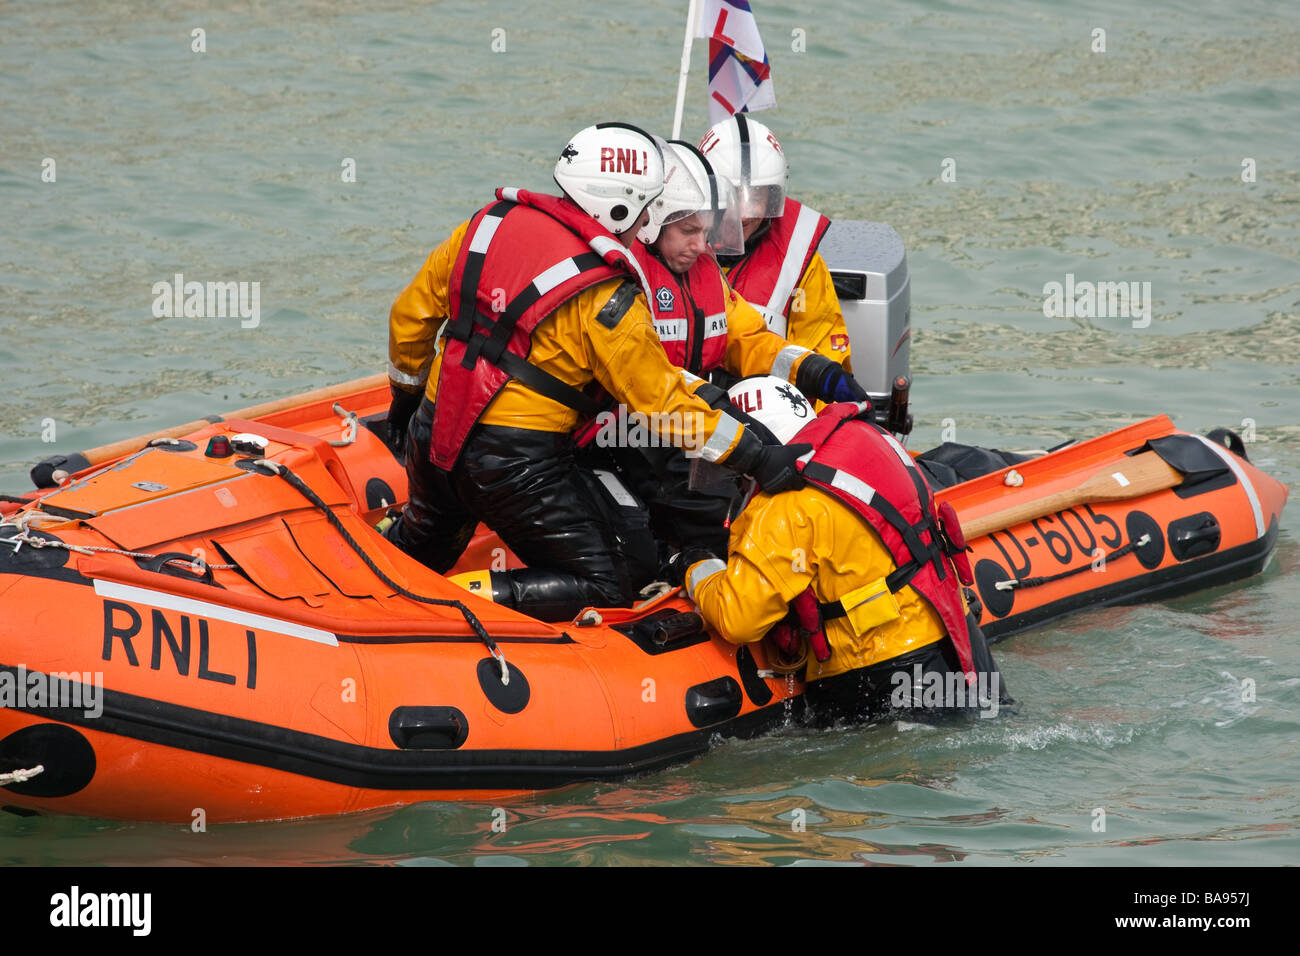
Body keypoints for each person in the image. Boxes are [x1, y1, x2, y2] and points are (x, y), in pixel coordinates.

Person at [382, 123, 808, 621]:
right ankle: (455, 602)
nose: (649, 220)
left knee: (422, 545)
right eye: (646, 207)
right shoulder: (608, 295)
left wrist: (407, 401)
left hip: (434, 433)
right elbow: (664, 406)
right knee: (608, 583)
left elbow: (410, 318)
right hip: (513, 463)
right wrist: (754, 456)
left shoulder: (486, 225)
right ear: (619, 206)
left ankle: (385, 598)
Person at [668, 376, 1012, 726]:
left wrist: (695, 567)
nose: (737, 478)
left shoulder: (782, 507)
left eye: (735, 464)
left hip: (884, 669)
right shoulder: (870, 439)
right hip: (961, 640)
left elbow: (738, 619)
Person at [609, 139, 869, 553]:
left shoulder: (705, 271)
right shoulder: (625, 280)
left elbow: (749, 338)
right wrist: (742, 433)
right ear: (654, 222)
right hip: (628, 437)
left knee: (749, 505)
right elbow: (654, 384)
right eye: (690, 231)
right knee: (694, 529)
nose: (701, 245)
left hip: (691, 432)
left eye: (708, 231)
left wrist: (821, 373)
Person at [699, 116, 852, 372]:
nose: (745, 214)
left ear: (773, 196)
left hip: (773, 404)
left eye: (756, 196)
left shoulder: (800, 258)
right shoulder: (671, 245)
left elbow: (825, 355)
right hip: (685, 401)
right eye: (732, 196)